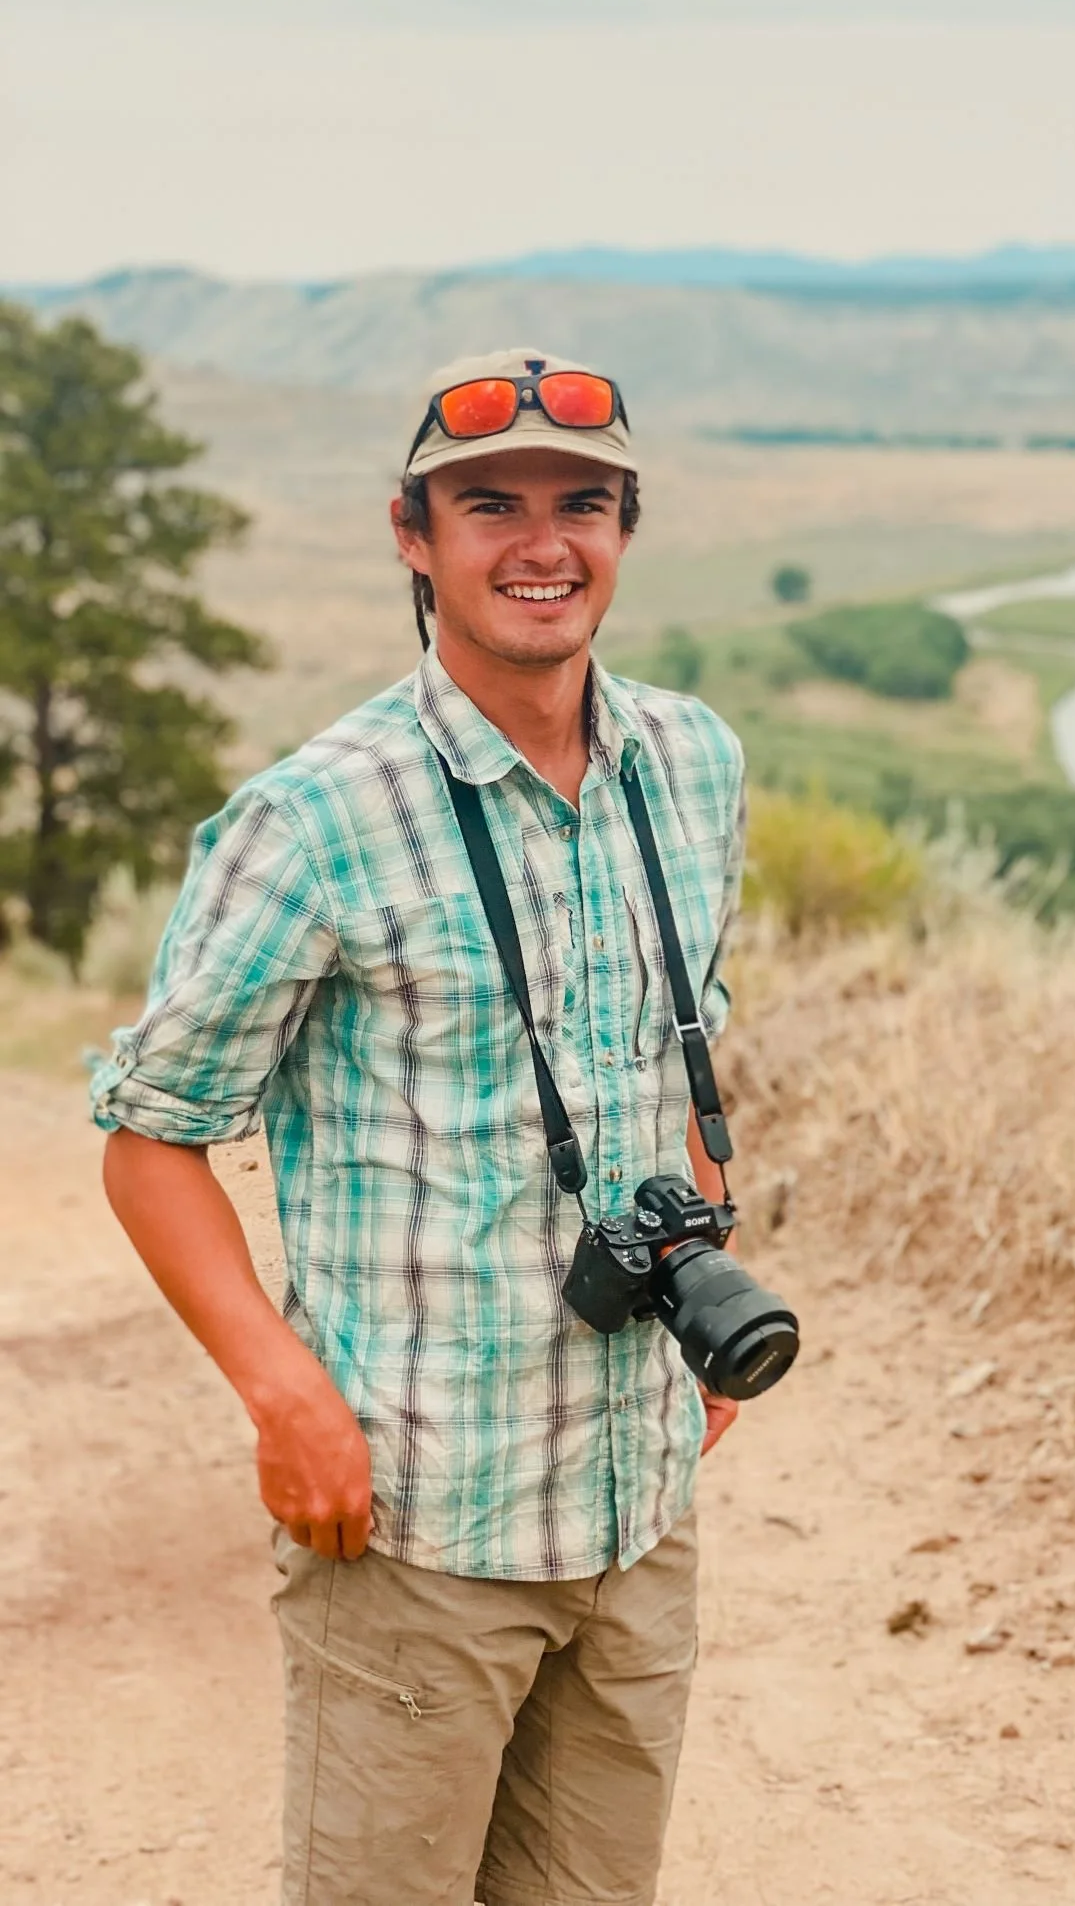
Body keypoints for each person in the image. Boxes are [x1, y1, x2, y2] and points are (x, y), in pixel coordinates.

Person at [94, 349, 746, 1906]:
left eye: (582, 502)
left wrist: (703, 1272)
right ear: (413, 535)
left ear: (627, 529)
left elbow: (685, 1048)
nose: (544, 542)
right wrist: (285, 1398)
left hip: (634, 1513)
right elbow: (149, 1136)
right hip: (415, 1523)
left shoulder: (694, 765)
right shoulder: (314, 818)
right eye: (490, 505)